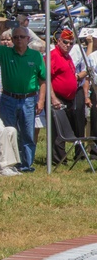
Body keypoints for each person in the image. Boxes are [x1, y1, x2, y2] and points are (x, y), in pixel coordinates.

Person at [0, 20, 46, 172]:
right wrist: (0, 31)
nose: (19, 39)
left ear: (28, 39)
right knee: (10, 131)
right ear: (12, 40)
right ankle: (11, 163)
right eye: (16, 37)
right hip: (9, 98)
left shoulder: (36, 55)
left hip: (29, 99)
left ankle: (26, 164)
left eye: (22, 37)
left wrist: (41, 100)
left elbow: (43, 79)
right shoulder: (5, 53)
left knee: (27, 133)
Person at [48, 29, 86, 165]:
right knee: (58, 130)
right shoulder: (53, 56)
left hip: (70, 98)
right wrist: (53, 98)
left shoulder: (67, 56)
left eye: (71, 43)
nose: (68, 45)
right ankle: (58, 160)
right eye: (65, 42)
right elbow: (46, 79)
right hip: (57, 97)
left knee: (68, 127)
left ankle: (67, 156)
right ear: (58, 41)